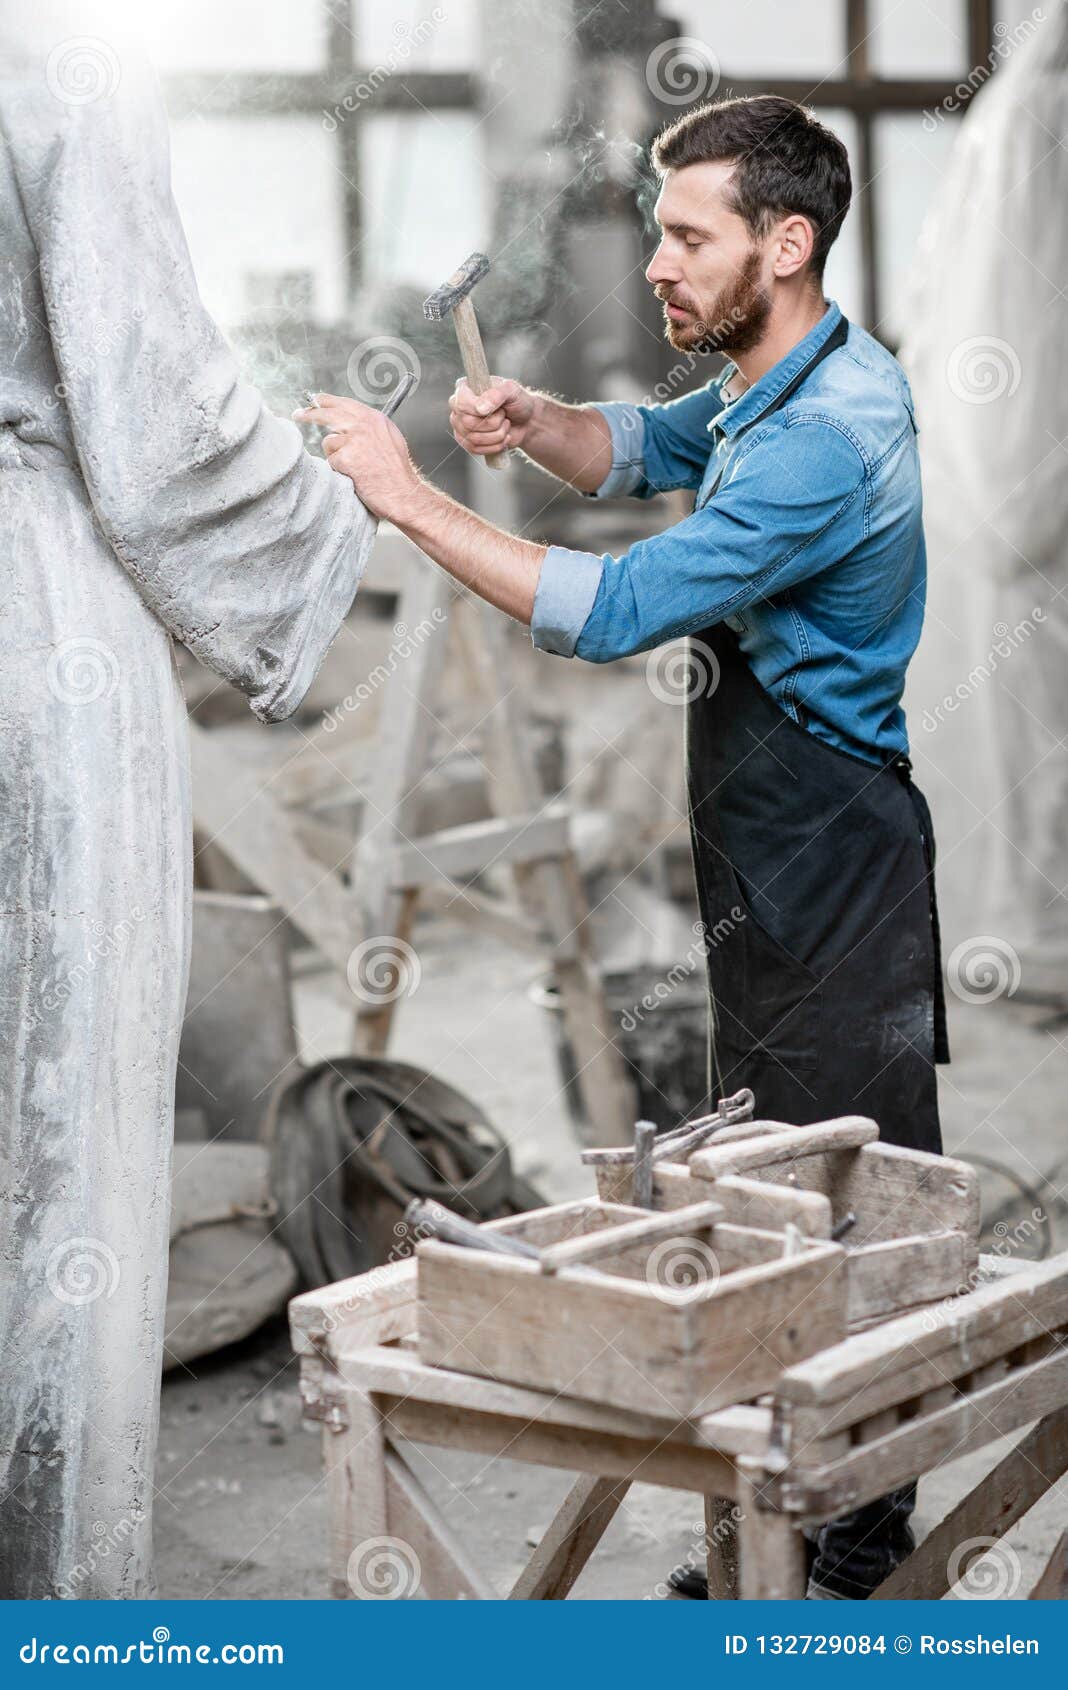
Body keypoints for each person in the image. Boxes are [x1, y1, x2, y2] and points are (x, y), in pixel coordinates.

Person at [303, 93, 948, 1600]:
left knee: (850, 1207)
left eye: (687, 236)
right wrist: (534, 425)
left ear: (785, 244)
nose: (658, 263)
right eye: (658, 231)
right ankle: (778, 1527)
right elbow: (643, 442)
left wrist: (403, 499)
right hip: (772, 856)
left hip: (836, 866)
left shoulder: (832, 435)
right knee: (770, 1200)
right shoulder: (772, 380)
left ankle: (850, 1565)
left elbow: (613, 614)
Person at [0, 3, 373, 1596]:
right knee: (57, 1144)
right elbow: (151, 432)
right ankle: (52, 1595)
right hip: (33, 623)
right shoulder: (61, 49)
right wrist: (335, 520)